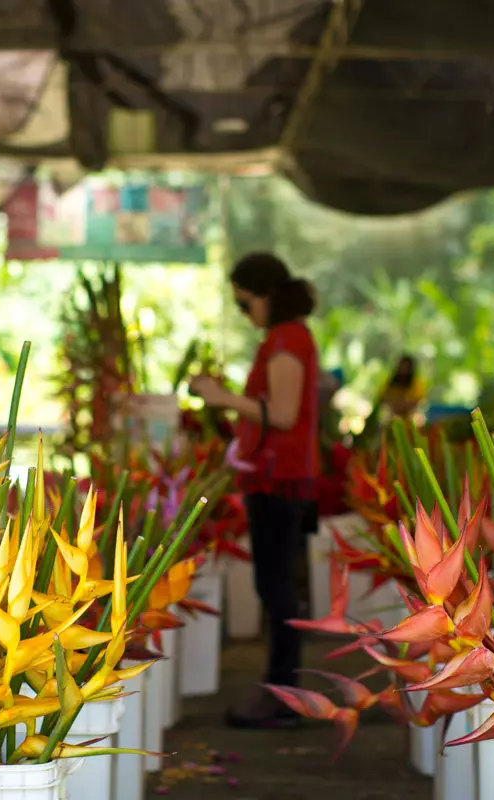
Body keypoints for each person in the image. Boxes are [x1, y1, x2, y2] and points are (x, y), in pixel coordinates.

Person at [189, 252, 320, 728]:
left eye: (245, 304)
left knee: (277, 588)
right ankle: (281, 689)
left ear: (266, 295)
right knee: (276, 586)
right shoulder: (285, 338)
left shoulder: (287, 340)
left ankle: (283, 695)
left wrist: (222, 398)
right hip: (276, 475)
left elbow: (282, 414)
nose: (246, 315)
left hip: (278, 479)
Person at [381, 354, 425, 420]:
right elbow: (383, 398)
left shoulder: (415, 383)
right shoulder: (390, 383)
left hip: (410, 419)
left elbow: (419, 401)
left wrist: (405, 405)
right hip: (391, 418)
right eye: (402, 365)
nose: (403, 369)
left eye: (406, 366)